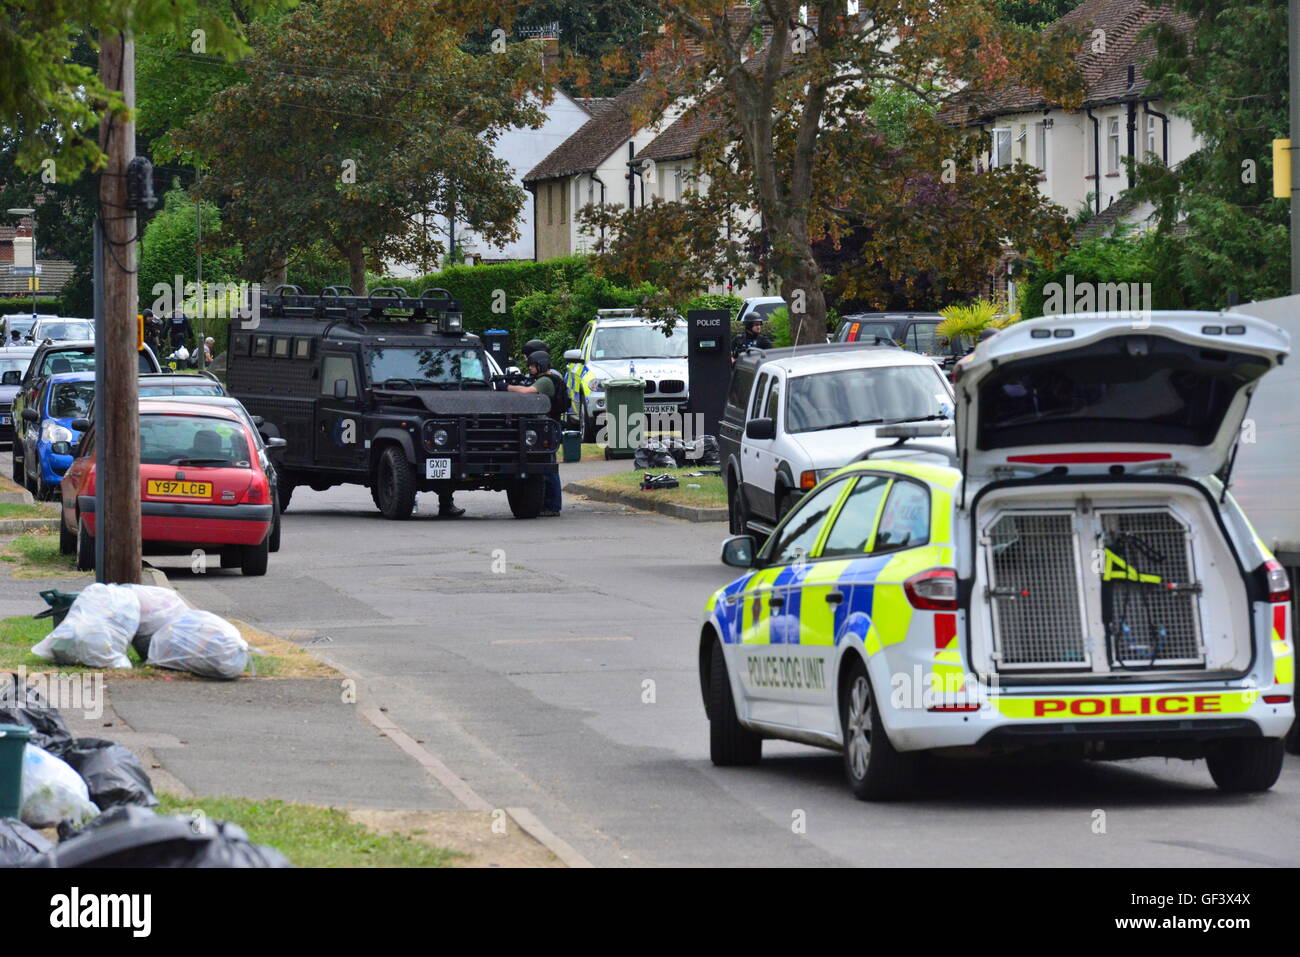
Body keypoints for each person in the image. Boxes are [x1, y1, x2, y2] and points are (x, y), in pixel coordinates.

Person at [507, 351, 567, 516]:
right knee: (547, 468)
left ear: (540, 365)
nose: (530, 368)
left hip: (549, 429)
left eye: (532, 366)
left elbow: (527, 392)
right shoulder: (552, 378)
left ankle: (553, 506)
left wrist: (507, 387)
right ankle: (548, 505)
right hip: (551, 427)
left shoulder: (546, 381)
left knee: (549, 469)